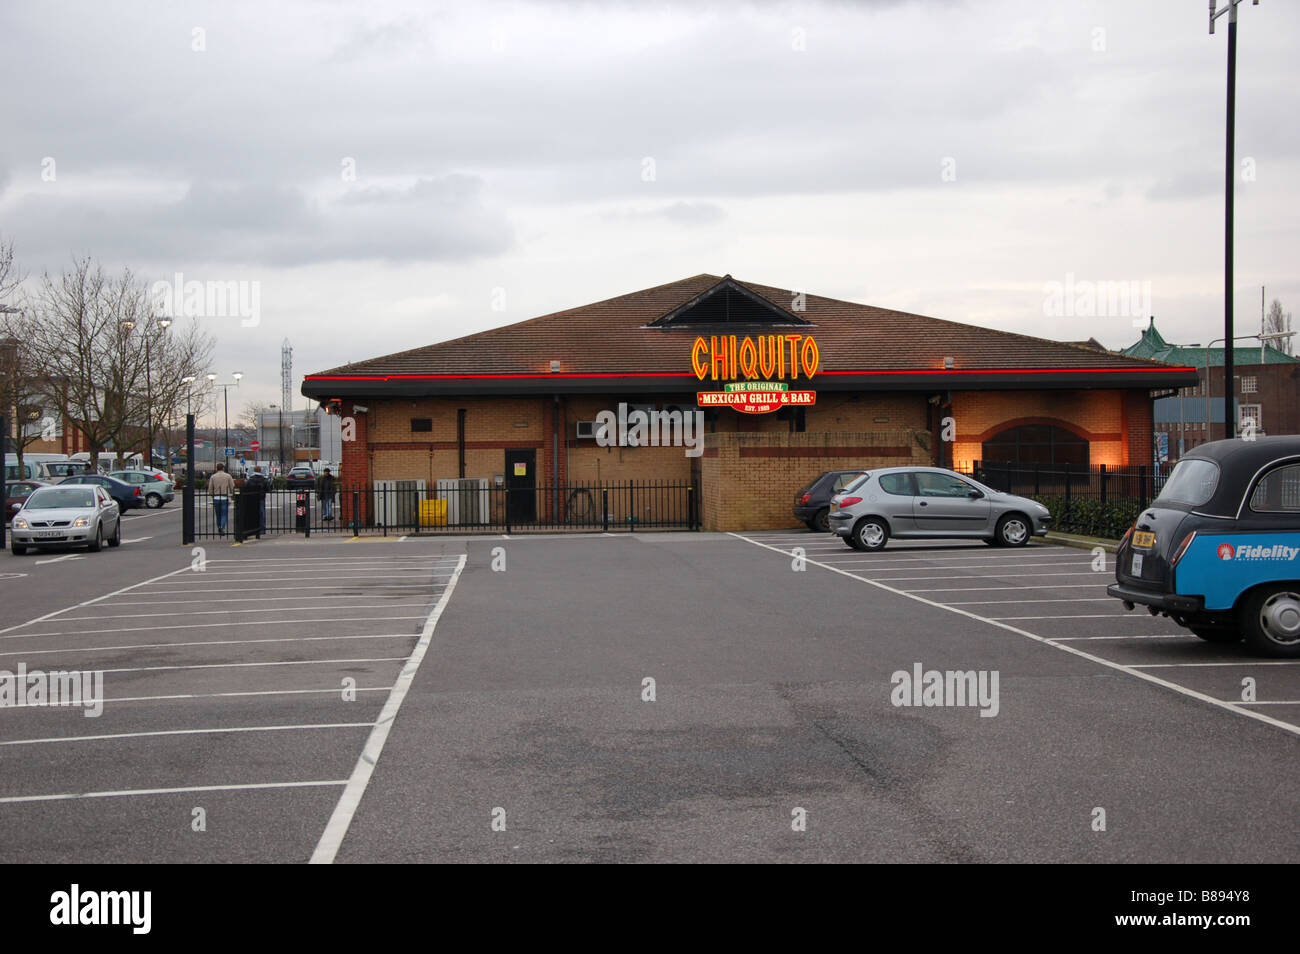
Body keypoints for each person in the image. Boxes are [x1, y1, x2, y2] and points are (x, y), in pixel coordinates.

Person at [243, 466, 270, 538]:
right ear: (260, 471)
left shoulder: (250, 480)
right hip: (261, 498)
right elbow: (268, 489)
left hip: (252, 498)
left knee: (252, 514)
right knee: (262, 513)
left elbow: (246, 487)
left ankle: (253, 529)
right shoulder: (264, 480)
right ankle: (261, 529)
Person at [209, 463, 234, 535]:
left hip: (216, 497)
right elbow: (232, 486)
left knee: (218, 515)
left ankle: (219, 526)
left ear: (216, 468)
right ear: (223, 468)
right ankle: (222, 526)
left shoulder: (213, 477)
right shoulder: (228, 476)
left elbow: (210, 488)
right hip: (224, 497)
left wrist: (212, 495)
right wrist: (232, 495)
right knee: (224, 514)